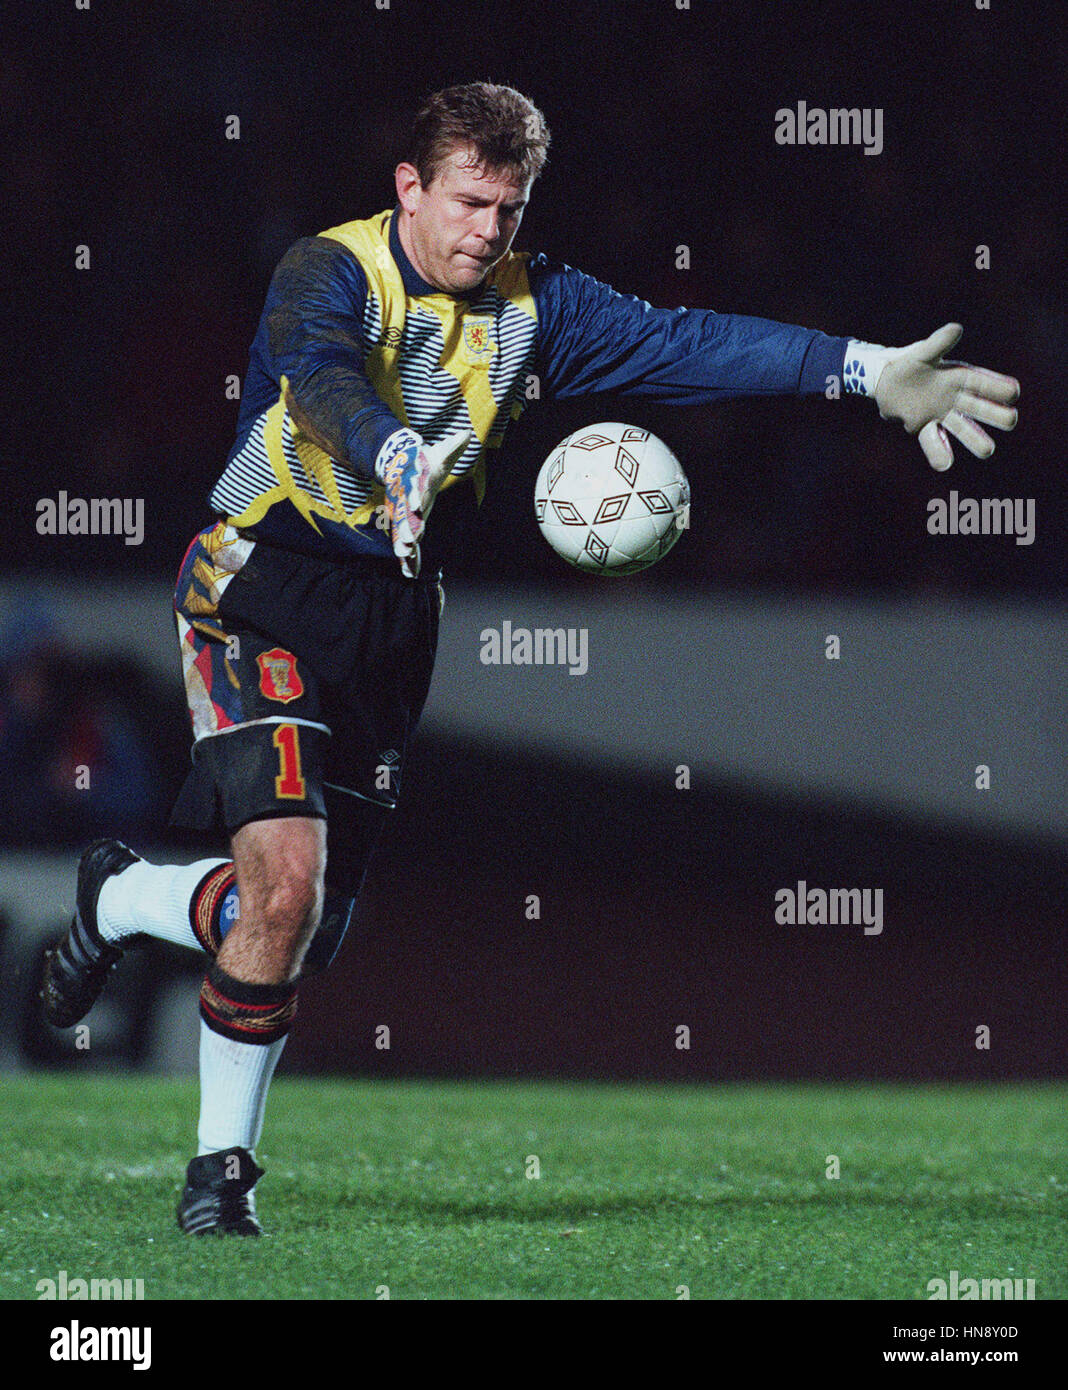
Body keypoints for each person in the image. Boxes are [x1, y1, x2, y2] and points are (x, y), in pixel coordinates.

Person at [41, 82, 1020, 1236]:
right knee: (287, 888)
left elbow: (688, 342)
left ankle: (122, 895)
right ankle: (220, 1178)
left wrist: (867, 369)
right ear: (410, 187)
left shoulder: (537, 303)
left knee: (300, 923)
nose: (485, 231)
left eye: (508, 208)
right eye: (468, 202)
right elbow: (318, 377)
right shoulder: (328, 271)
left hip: (394, 624)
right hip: (259, 590)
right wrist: (391, 448)